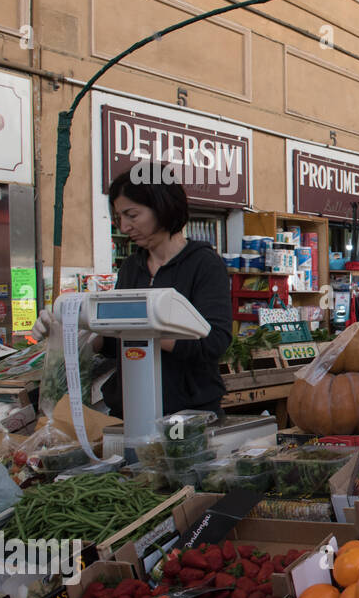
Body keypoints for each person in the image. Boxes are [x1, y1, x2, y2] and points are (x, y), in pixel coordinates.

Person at [33, 163, 233, 418]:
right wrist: (70, 332)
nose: (124, 227)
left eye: (132, 215)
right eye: (119, 218)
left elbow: (214, 341)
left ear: (162, 206)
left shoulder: (204, 264)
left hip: (186, 414)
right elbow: (115, 342)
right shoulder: (132, 267)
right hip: (128, 409)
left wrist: (146, 332)